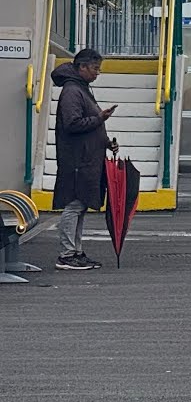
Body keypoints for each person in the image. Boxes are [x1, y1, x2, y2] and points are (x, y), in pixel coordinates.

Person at [52, 48, 119, 271]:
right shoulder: (73, 91)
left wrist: (106, 142)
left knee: (80, 206)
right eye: (95, 68)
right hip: (77, 160)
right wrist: (100, 118)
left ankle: (76, 251)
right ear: (82, 67)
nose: (97, 73)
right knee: (75, 205)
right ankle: (66, 254)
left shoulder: (81, 88)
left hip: (86, 157)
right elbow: (72, 124)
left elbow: (88, 125)